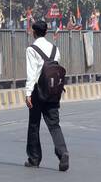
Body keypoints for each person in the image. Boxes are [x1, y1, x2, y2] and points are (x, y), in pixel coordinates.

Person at [24, 18, 69, 171]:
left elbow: (32, 73)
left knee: (34, 124)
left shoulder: (31, 49)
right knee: (54, 124)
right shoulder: (55, 49)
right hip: (53, 90)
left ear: (34, 32)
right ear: (46, 32)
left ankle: (34, 158)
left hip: (38, 91)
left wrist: (28, 93)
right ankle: (63, 152)